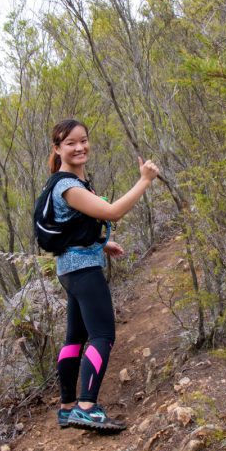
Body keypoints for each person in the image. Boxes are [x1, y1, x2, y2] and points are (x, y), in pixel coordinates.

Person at [47, 118, 159, 432]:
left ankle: (68, 407)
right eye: (70, 143)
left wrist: (102, 244)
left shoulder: (64, 183)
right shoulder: (68, 184)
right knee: (103, 335)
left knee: (75, 337)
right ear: (58, 148)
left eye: (83, 140)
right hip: (82, 271)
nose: (79, 147)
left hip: (70, 267)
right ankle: (86, 406)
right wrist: (144, 180)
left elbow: (73, 228)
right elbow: (113, 212)